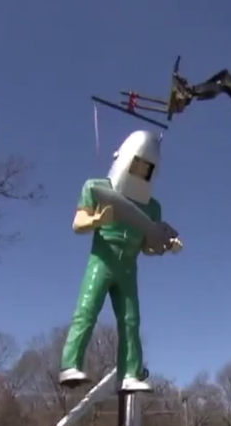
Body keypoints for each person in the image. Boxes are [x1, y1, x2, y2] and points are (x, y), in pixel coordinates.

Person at [58, 129, 183, 393]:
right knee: (87, 310)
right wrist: (95, 220)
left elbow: (148, 247)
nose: (139, 172)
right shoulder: (96, 187)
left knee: (131, 321)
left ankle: (129, 373)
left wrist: (166, 246)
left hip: (129, 266)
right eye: (136, 164)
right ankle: (70, 364)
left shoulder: (152, 208)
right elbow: (77, 223)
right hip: (102, 259)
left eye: (146, 168)